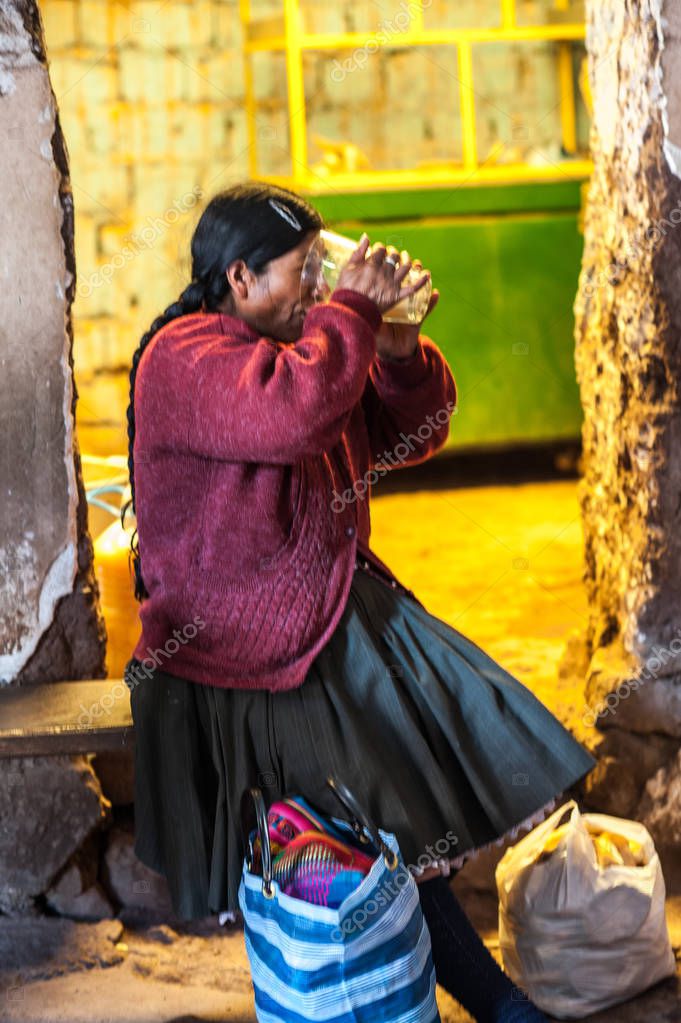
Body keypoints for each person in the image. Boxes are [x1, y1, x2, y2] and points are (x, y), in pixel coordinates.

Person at [123, 180, 596, 1022]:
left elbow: (410, 427)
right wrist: (349, 313)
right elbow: (291, 417)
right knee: (370, 830)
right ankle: (489, 1000)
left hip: (328, 610)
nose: (315, 290)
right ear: (239, 278)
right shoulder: (183, 357)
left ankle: (483, 998)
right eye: (302, 273)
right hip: (238, 648)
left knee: (387, 834)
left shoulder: (304, 340)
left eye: (320, 271)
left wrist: (400, 345)